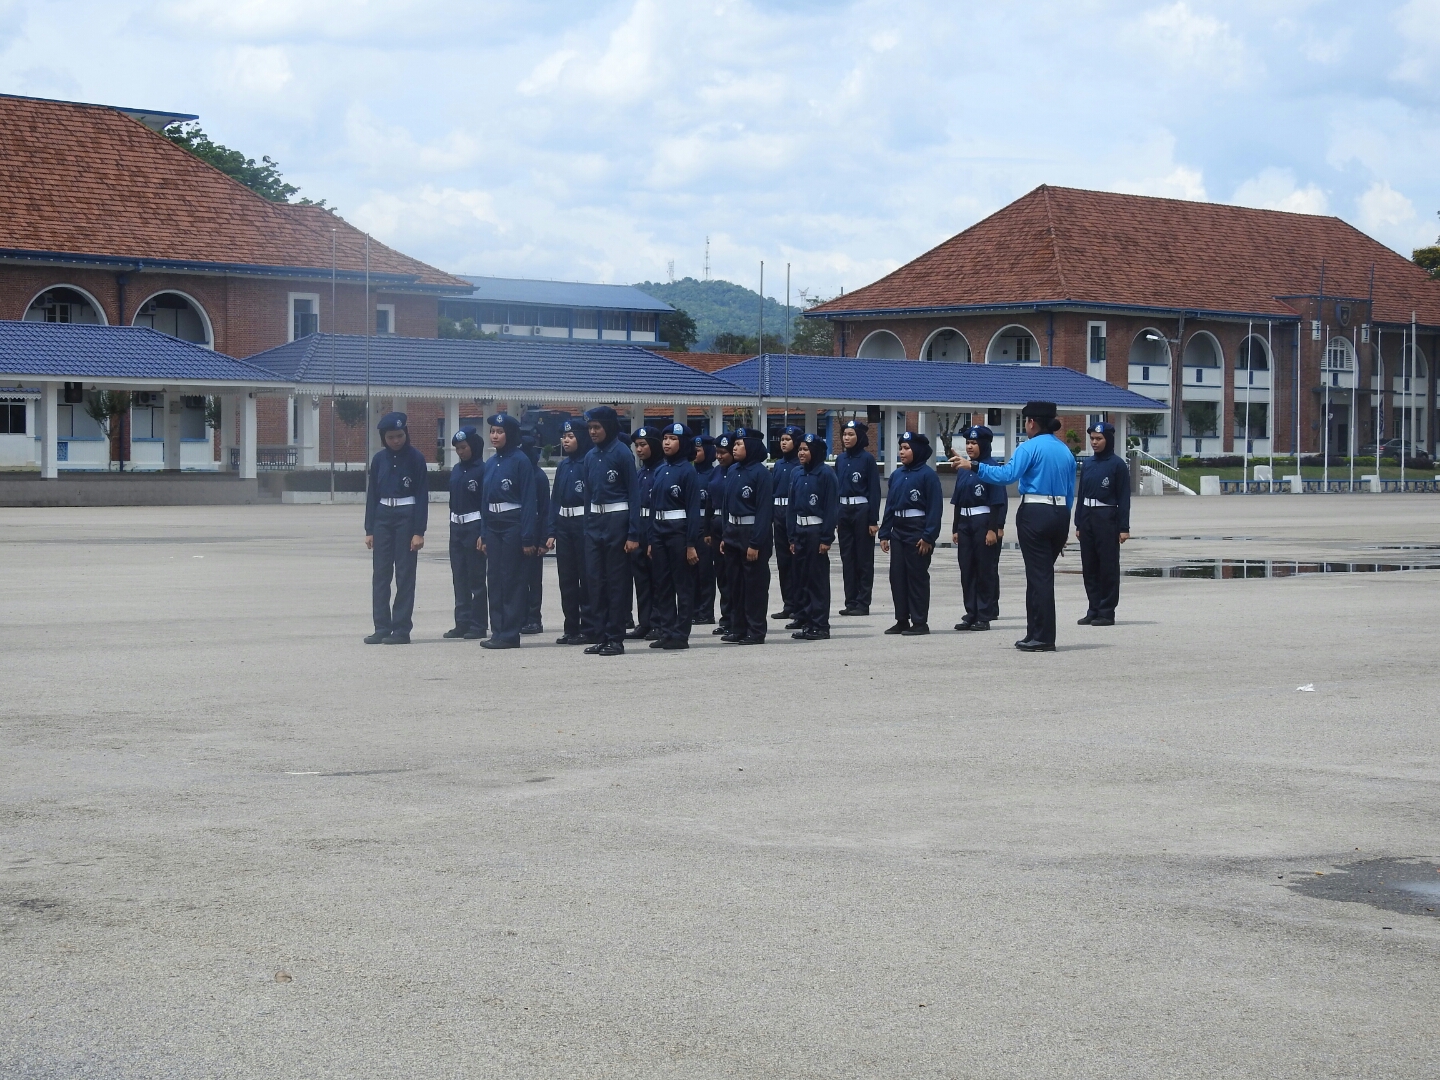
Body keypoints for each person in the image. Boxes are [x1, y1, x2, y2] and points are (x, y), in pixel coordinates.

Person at [952, 400, 1075, 652]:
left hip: (1035, 512)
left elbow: (1006, 475)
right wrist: (1065, 526)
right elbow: (1071, 491)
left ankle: (1042, 636)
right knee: (1043, 574)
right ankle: (1036, 632)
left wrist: (973, 465)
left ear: (1031, 422)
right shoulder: (1065, 450)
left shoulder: (1029, 448)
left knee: (1037, 576)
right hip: (1060, 513)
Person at [363, 411, 428, 645]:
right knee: (380, 574)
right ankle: (381, 626)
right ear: (384, 438)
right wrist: (369, 528)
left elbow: (422, 495)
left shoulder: (416, 458)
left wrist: (419, 531)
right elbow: (372, 494)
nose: (396, 441)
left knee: (404, 574)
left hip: (406, 517)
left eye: (400, 435)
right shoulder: (379, 459)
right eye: (391, 437)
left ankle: (401, 629)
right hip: (382, 518)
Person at [580, 406, 641, 655]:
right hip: (595, 522)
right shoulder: (590, 457)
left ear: (608, 427)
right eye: (590, 428)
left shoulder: (622, 453)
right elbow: (587, 495)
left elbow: (634, 495)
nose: (593, 432)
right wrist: (587, 526)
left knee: (616, 582)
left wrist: (633, 533)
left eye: (597, 427)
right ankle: (601, 634)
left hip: (617, 521)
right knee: (596, 581)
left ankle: (615, 637)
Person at [477, 412, 538, 650]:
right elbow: (484, 500)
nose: (495, 435)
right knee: (494, 578)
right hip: (493, 524)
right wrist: (483, 533)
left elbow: (529, 501)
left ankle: (511, 634)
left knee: (511, 579)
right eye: (492, 431)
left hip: (513, 523)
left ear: (510, 434)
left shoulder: (521, 460)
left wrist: (527, 536)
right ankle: (498, 630)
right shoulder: (490, 463)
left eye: (499, 432)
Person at [878, 431, 942, 636]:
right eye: (901, 448)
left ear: (918, 450)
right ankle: (902, 619)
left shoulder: (928, 475)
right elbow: (890, 505)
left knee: (917, 577)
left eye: (907, 448)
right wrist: (885, 532)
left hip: (917, 530)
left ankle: (920, 622)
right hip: (899, 529)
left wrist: (928, 536)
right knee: (897, 577)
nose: (902, 452)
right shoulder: (897, 475)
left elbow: (935, 508)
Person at [647, 423, 703, 649]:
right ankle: (666, 630)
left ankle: (681, 634)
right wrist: (651, 538)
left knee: (683, 585)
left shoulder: (688, 471)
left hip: (678, 533)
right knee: (662, 584)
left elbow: (692, 509)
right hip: (659, 532)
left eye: (672, 438)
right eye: (665, 438)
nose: (667, 442)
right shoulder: (660, 470)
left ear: (683, 443)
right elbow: (653, 507)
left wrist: (691, 543)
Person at [950, 424, 1007, 632]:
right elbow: (958, 500)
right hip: (965, 524)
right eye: (968, 442)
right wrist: (956, 528)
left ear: (983, 444)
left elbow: (997, 501)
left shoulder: (991, 468)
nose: (970, 446)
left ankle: (984, 614)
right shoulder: (964, 469)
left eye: (974, 443)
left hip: (983, 522)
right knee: (967, 569)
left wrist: (994, 528)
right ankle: (970, 612)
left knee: (984, 570)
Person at [719, 426, 773, 644]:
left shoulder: (761, 474)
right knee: (735, 585)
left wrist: (756, 542)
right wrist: (725, 535)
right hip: (733, 533)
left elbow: (763, 511)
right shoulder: (733, 471)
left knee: (754, 587)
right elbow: (725, 506)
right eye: (735, 443)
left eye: (740, 444)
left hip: (751, 536)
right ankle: (737, 627)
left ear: (751, 446)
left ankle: (756, 630)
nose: (735, 447)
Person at [1075, 421, 1130, 627]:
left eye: (1099, 439)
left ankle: (1107, 611)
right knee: (1089, 566)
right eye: (1092, 439)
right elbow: (1080, 494)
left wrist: (1124, 527)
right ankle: (1093, 608)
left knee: (1107, 565)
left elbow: (1124, 498)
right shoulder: (1088, 464)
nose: (1094, 442)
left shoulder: (1117, 465)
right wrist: (1078, 522)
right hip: (1088, 516)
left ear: (1109, 440)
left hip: (1107, 515)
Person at [786, 432, 839, 640]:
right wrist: (791, 536)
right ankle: (807, 622)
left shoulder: (826, 474)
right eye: (799, 449)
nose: (801, 453)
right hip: (799, 532)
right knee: (802, 579)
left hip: (816, 532)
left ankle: (820, 625)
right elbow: (791, 507)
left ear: (815, 452)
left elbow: (831, 508)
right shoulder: (797, 474)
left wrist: (826, 538)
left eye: (805, 449)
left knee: (817, 581)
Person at [547, 418, 591, 645]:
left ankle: (589, 627)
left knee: (586, 578)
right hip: (564, 526)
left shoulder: (589, 462)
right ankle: (571, 626)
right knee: (567, 580)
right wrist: (551, 531)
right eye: (564, 436)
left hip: (583, 525)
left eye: (571, 436)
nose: (565, 440)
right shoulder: (563, 466)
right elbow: (555, 501)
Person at [443, 425, 489, 641]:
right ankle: (462, 622)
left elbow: (485, 503)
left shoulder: (483, 470)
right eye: (458, 449)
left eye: (463, 447)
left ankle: (478, 624)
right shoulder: (456, 470)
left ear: (474, 446)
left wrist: (483, 532)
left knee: (476, 579)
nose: (461, 452)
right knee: (459, 577)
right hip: (457, 528)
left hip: (474, 526)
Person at [835, 419, 881, 616]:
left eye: (851, 434)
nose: (847, 438)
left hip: (861, 510)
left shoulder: (867, 459)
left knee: (863, 558)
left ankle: (863, 602)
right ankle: (850, 601)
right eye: (845, 434)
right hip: (843, 510)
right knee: (847, 557)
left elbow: (874, 491)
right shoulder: (840, 459)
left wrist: (873, 520)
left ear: (860, 437)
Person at [626, 426, 661, 641]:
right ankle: (645, 622)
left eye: (643, 445)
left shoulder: (661, 471)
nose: (639, 450)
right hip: (639, 529)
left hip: (654, 528)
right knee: (641, 580)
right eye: (637, 446)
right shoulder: (640, 473)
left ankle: (659, 622)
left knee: (657, 579)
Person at [770, 424, 804, 620]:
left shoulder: (799, 466)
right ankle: (788, 603)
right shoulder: (778, 465)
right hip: (778, 512)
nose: (783, 443)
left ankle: (799, 604)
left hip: (793, 513)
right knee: (783, 562)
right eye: (782, 439)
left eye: (788, 439)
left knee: (796, 562)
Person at [519, 431, 549, 636]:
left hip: (535, 533)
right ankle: (521, 616)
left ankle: (534, 618)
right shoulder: (521, 472)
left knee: (533, 580)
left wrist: (542, 540)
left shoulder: (538, 476)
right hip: (519, 532)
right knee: (519, 579)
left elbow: (545, 509)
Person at [708, 432, 736, 636]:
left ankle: (736, 618)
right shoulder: (715, 472)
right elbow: (709, 500)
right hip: (716, 524)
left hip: (733, 526)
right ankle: (726, 618)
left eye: (724, 453)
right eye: (717, 452)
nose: (719, 456)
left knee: (733, 575)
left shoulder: (737, 471)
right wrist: (708, 529)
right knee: (722, 577)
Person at [691, 434, 719, 625]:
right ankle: (693, 608)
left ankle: (706, 611)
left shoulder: (714, 475)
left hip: (706, 525)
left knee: (705, 571)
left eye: (698, 450)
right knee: (690, 571)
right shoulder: (690, 472)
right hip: (690, 525)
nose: (694, 453)